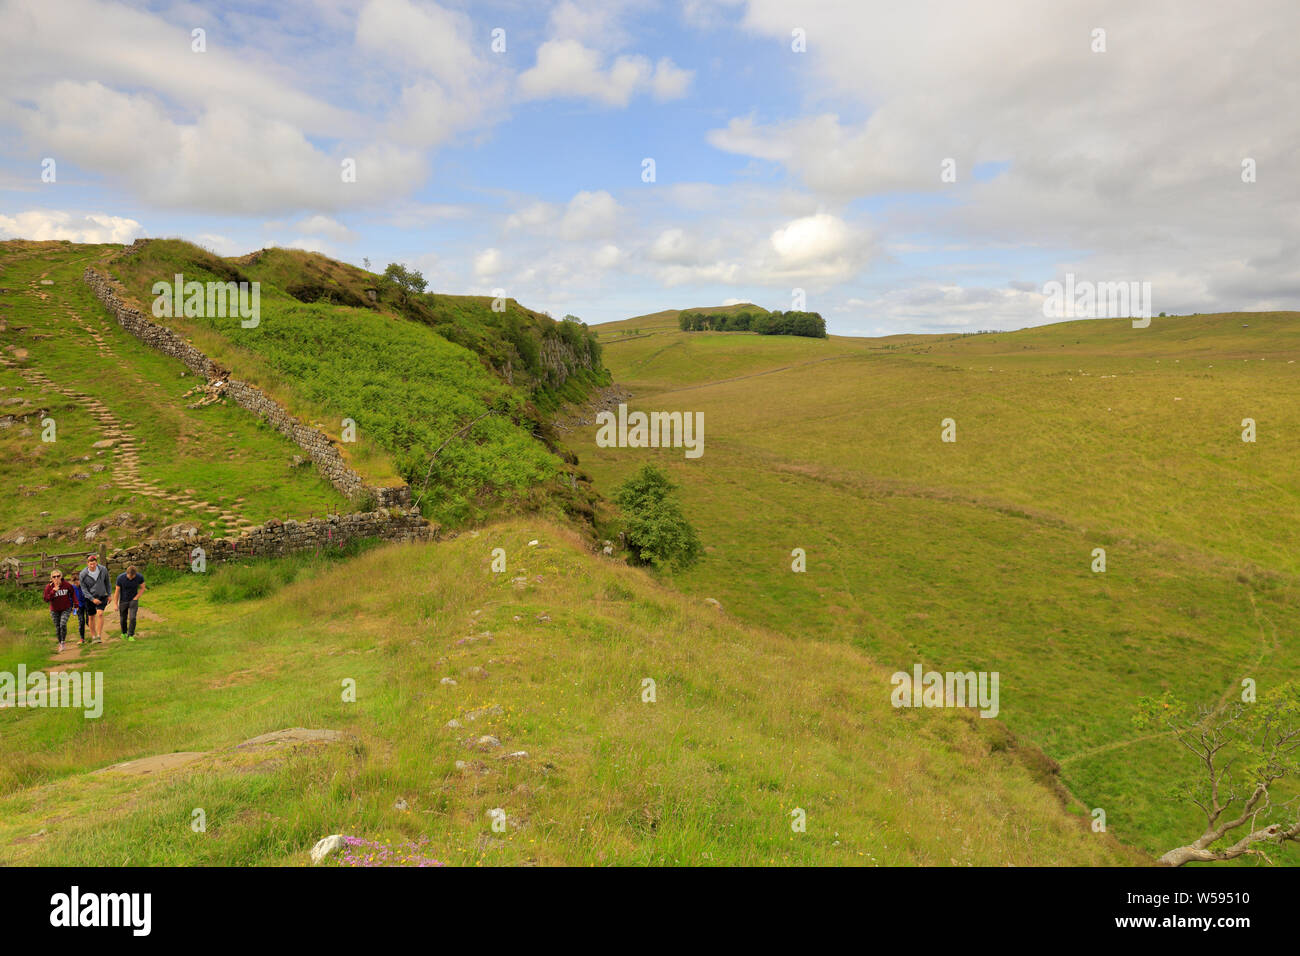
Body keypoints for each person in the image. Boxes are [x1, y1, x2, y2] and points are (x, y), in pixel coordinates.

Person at [42, 569, 79, 653]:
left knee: (62, 624)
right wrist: (54, 591)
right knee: (57, 627)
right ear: (51, 578)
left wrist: (76, 604)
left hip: (66, 608)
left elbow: (73, 594)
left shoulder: (66, 585)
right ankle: (60, 642)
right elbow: (46, 599)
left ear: (61, 577)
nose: (56, 578)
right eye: (54, 577)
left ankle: (63, 642)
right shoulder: (48, 587)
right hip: (54, 610)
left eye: (58, 576)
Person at [78, 554, 110, 643]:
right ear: (87, 564)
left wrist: (109, 594)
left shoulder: (103, 570)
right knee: (91, 617)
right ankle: (93, 637)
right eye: (90, 564)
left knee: (100, 614)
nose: (92, 565)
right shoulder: (83, 574)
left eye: (94, 563)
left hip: (102, 595)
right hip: (89, 598)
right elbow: (84, 590)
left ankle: (99, 636)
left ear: (96, 563)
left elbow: (107, 582)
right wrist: (92, 599)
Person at [111, 565, 146, 642]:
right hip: (123, 600)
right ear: (127, 573)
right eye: (130, 576)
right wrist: (115, 604)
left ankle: (130, 635)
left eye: (133, 577)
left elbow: (143, 587)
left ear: (135, 574)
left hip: (133, 600)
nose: (131, 578)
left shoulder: (139, 577)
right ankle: (124, 633)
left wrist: (137, 597)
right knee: (123, 618)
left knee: (133, 617)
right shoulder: (120, 578)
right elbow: (117, 592)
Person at [71, 577, 88, 645]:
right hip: (78, 606)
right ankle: (82, 638)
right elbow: (71, 598)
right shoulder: (72, 588)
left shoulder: (84, 586)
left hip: (86, 604)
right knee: (81, 621)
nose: (76, 583)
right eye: (75, 582)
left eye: (78, 581)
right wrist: (74, 611)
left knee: (88, 621)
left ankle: (94, 635)